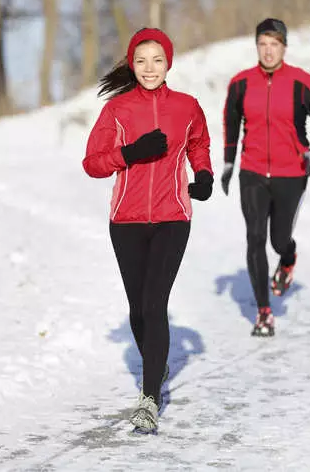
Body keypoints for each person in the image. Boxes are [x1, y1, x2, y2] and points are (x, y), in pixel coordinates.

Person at [82, 28, 213, 434]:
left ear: (168, 62)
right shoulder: (118, 110)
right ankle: (157, 361)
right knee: (139, 310)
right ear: (131, 65)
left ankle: (149, 396)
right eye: (141, 61)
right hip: (126, 221)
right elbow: (92, 162)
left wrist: (204, 175)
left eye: (157, 60)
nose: (149, 68)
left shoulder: (187, 106)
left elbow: (199, 144)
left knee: (155, 305)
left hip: (173, 216)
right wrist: (131, 153)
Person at [221, 18, 310, 337]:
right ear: (256, 47)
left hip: (291, 172)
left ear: (284, 47)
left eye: (274, 44)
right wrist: (227, 164)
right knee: (256, 237)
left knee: (277, 240)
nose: (268, 51)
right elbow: (231, 124)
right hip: (252, 172)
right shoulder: (241, 83)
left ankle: (287, 257)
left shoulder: (302, 83)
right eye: (263, 44)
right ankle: (264, 312)